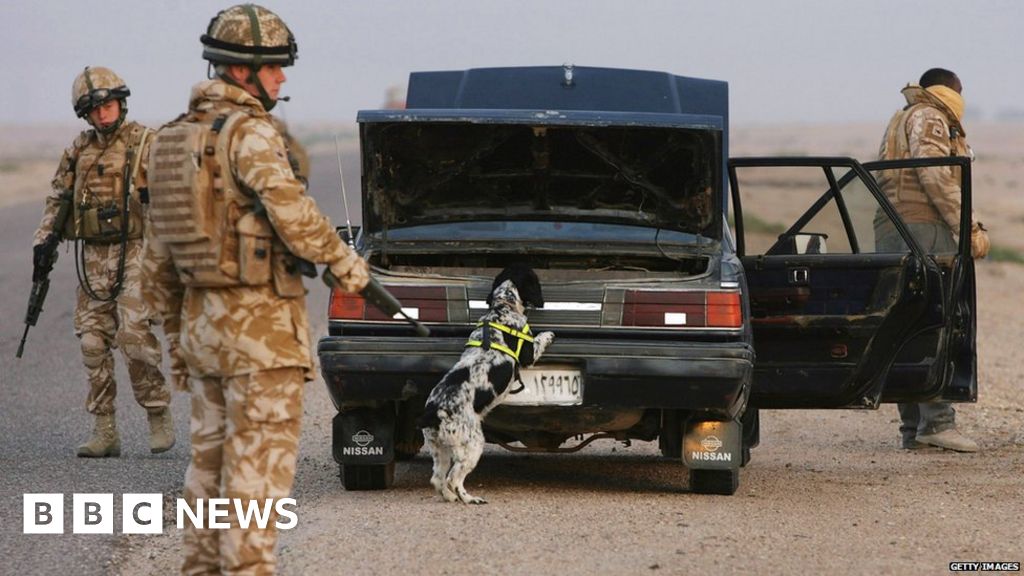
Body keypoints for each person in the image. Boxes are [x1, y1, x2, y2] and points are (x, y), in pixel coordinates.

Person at [145, 4, 369, 573]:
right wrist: (351, 269)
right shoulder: (249, 135)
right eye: (273, 68)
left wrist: (177, 338)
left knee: (208, 477)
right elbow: (295, 216)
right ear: (242, 71)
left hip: (203, 333)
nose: (282, 78)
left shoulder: (171, 139)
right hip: (261, 339)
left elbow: (157, 260)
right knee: (255, 484)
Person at [32, 66, 174, 458]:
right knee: (93, 342)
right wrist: (44, 241)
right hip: (93, 257)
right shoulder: (78, 151)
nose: (104, 114)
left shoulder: (147, 142)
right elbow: (58, 198)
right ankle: (104, 429)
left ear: (121, 103)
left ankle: (157, 412)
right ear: (86, 114)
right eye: (95, 110)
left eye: (109, 105)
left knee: (134, 337)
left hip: (137, 252)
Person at [874, 67, 990, 453]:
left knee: (906, 325)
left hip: (895, 228)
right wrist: (969, 227)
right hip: (923, 229)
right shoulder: (931, 116)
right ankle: (937, 423)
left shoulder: (903, 117)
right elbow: (937, 175)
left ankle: (914, 427)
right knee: (937, 321)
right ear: (953, 91)